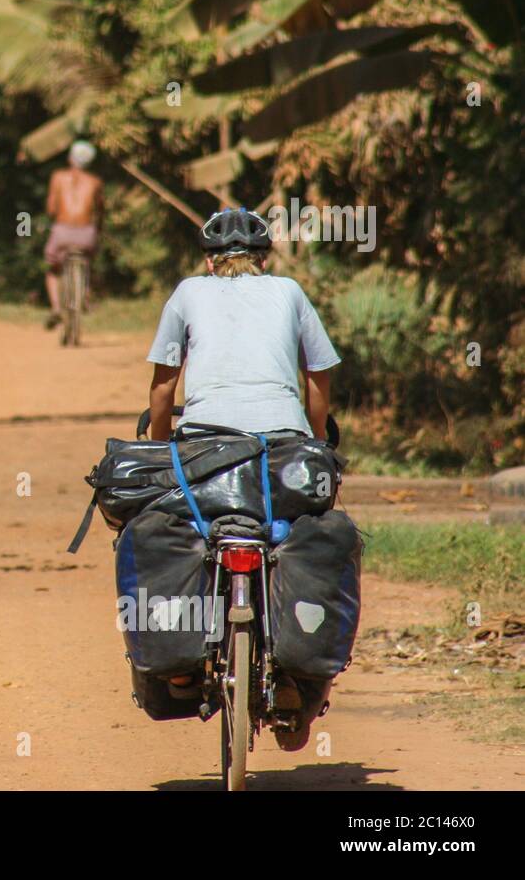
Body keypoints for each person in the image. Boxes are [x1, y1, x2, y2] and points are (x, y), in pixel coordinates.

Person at [144, 207, 341, 751]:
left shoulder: (187, 292)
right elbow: (318, 378)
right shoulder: (290, 292)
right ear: (264, 259)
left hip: (205, 446)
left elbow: (164, 388)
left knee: (186, 535)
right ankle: (301, 675)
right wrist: (317, 441)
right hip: (282, 447)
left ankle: (181, 664)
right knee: (303, 532)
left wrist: (161, 448)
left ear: (210, 260)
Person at [42, 140, 103, 329]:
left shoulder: (58, 177)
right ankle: (85, 292)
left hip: (62, 232)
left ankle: (56, 308)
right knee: (89, 259)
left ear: (70, 158)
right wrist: (98, 229)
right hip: (86, 234)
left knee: (53, 269)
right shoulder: (95, 182)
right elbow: (100, 211)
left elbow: (51, 208)